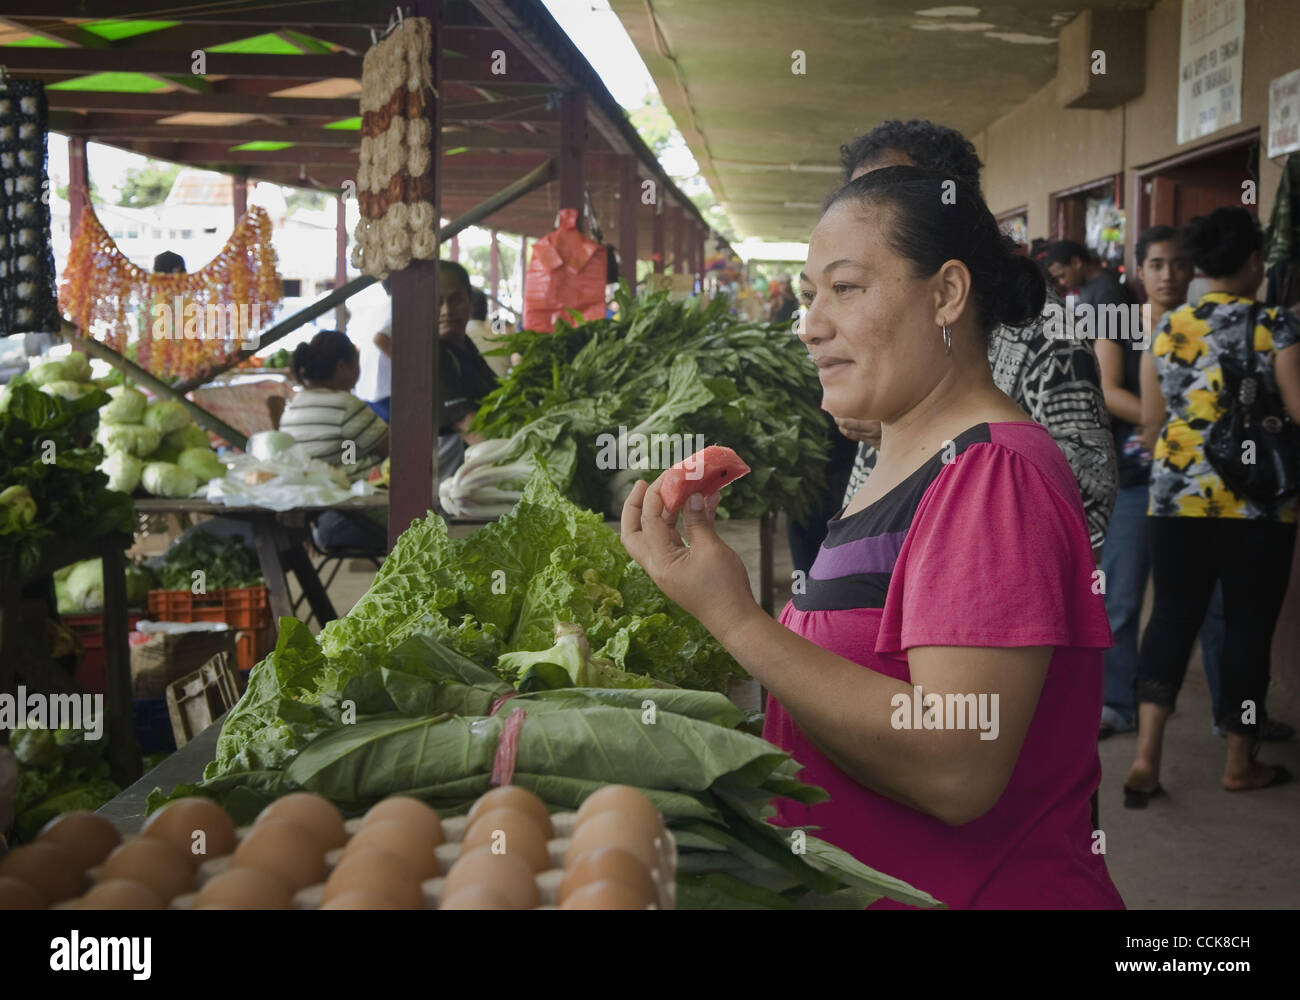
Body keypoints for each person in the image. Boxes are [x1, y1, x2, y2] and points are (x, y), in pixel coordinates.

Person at [622, 165, 1122, 909]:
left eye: (846, 288)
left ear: (947, 294)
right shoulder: (902, 457)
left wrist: (732, 618)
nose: (810, 324)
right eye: (809, 295)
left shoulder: (990, 476)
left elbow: (956, 766)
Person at [834, 121, 1116, 554]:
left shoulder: (1043, 326)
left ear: (953, 202)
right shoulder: (892, 315)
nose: (858, 217)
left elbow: (1088, 490)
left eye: (885, 197)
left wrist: (908, 434)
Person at [1125, 207, 1300, 805]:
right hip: (1260, 509)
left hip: (1176, 499)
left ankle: (1147, 755)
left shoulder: (1168, 329)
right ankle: (1239, 761)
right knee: (1250, 629)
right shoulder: (1276, 326)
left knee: (1171, 616)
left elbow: (1150, 424)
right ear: (1253, 262)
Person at [1097, 226, 1193, 738]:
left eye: (1179, 264)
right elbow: (1110, 391)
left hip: (1198, 487)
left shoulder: (1207, 324)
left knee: (1213, 606)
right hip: (1134, 479)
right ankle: (1115, 703)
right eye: (1157, 264)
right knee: (1121, 597)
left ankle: (1234, 713)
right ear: (1140, 270)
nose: (1168, 275)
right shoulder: (1123, 325)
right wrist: (1180, 427)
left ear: (1193, 269)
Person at [280, 330, 389, 550]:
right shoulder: (345, 405)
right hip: (357, 517)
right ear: (342, 366)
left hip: (318, 516)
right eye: (356, 364)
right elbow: (393, 451)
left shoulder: (293, 406)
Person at [436, 260, 499, 483]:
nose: (446, 311)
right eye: (438, 302)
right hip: (451, 486)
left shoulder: (464, 346)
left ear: (469, 302)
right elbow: (467, 425)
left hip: (478, 475)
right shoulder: (434, 354)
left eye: (455, 300)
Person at [349, 278, 393, 423]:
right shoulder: (399, 306)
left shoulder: (379, 308)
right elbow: (380, 339)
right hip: (385, 396)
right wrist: (409, 369)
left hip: (368, 392)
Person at [1045, 240, 1132, 310]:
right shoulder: (1085, 286)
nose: (1061, 282)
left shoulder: (1109, 292)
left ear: (1076, 263)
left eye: (1062, 276)